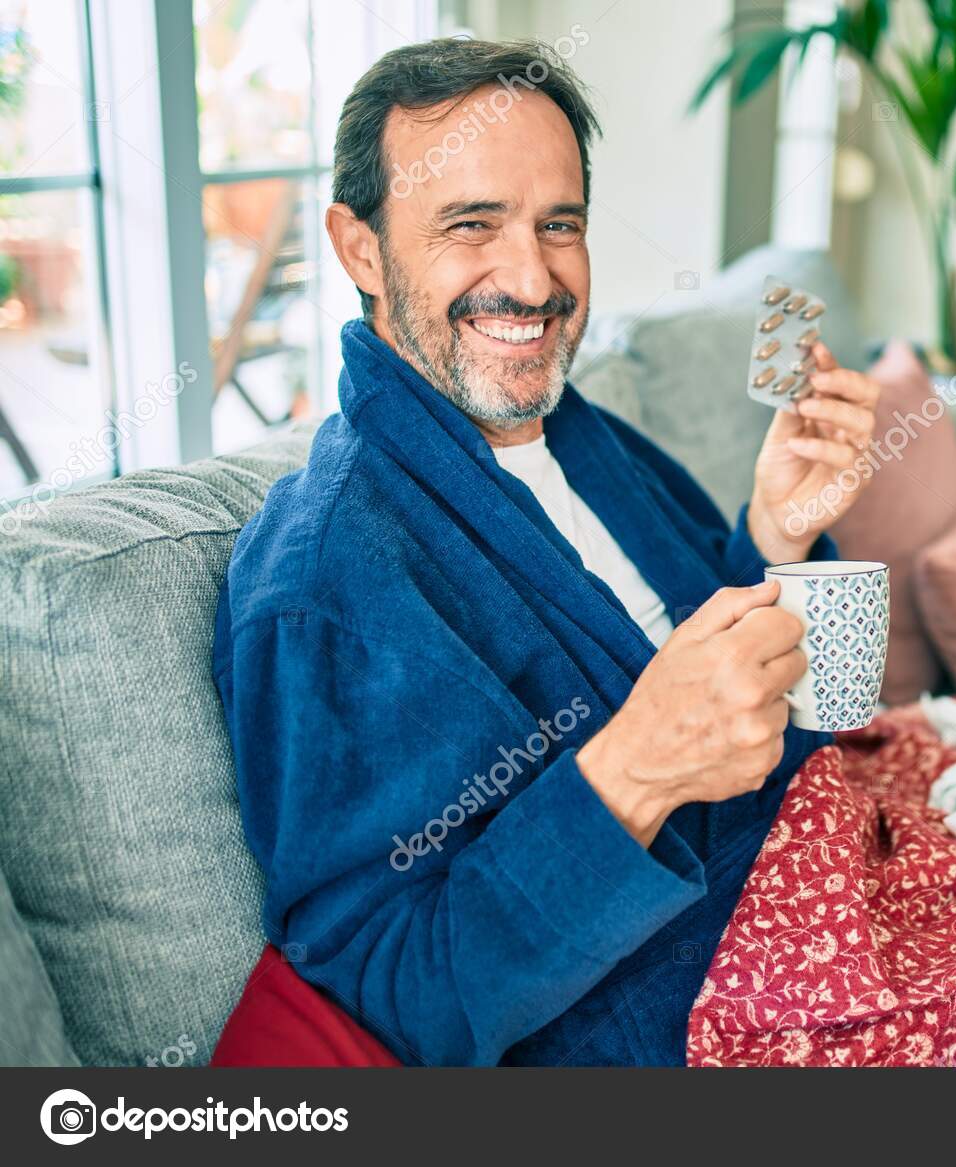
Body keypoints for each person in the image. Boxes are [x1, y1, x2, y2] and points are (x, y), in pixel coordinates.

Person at [212, 37, 880, 1066]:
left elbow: (822, 713)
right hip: (734, 1024)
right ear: (358, 247)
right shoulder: (326, 583)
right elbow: (397, 990)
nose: (531, 279)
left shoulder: (582, 433)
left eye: (557, 225)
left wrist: (782, 538)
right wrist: (627, 774)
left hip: (858, 893)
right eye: (470, 224)